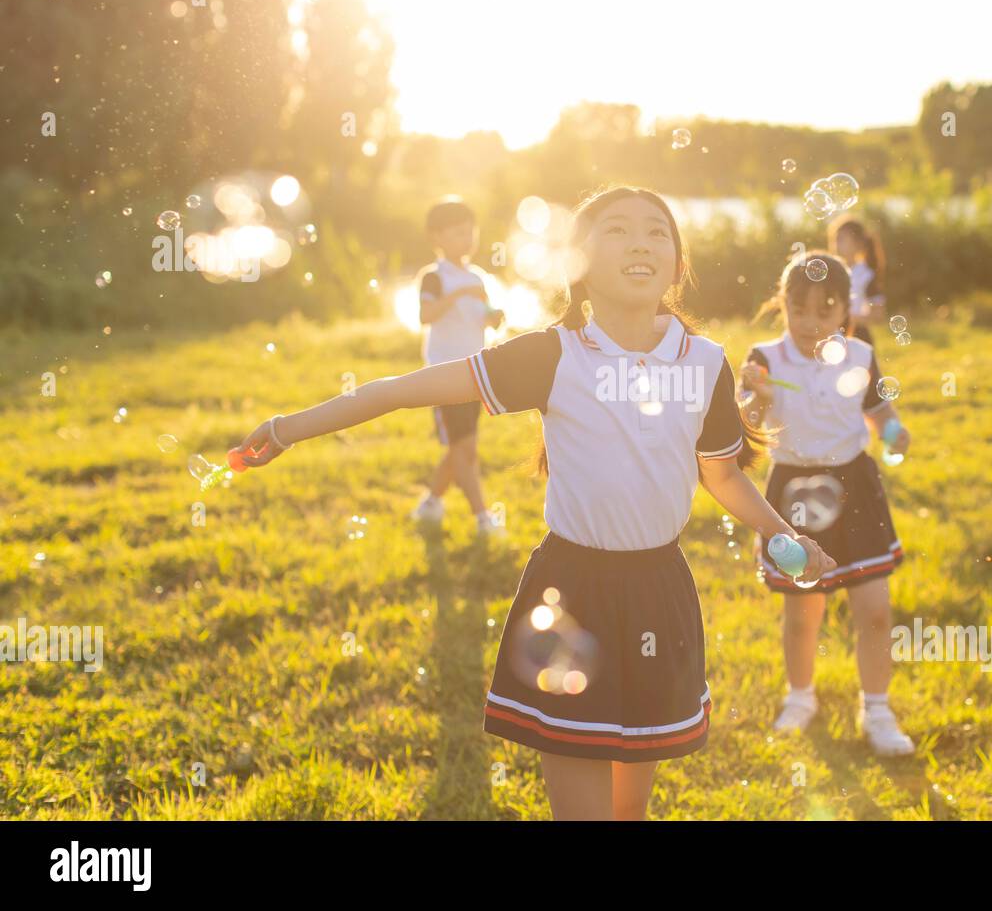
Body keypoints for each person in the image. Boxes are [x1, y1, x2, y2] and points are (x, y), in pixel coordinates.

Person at [232, 186, 835, 819]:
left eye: (657, 232)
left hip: (661, 591)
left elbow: (723, 476)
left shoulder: (705, 361)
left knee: (631, 812)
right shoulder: (552, 354)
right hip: (570, 594)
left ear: (679, 265)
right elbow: (401, 389)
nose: (639, 242)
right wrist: (285, 428)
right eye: (617, 230)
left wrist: (778, 533)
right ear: (577, 263)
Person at [739, 250, 915, 755]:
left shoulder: (860, 355)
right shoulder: (766, 358)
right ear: (782, 306)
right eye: (799, 310)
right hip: (793, 488)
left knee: (875, 610)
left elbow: (880, 412)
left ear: (845, 312)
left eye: (825, 310)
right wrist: (757, 396)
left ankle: (877, 710)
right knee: (802, 612)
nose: (810, 323)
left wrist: (895, 433)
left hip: (855, 486)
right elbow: (746, 421)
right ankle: (800, 698)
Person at [411, 197, 504, 535]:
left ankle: (430, 504)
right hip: (442, 374)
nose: (466, 239)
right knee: (464, 450)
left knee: (463, 448)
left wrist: (495, 317)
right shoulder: (434, 278)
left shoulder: (478, 277)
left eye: (470, 232)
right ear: (437, 238)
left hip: (474, 373)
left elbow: (486, 320)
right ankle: (483, 519)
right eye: (457, 233)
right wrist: (459, 294)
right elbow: (425, 316)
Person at [829, 215, 887, 346]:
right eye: (834, 239)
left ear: (857, 244)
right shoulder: (831, 271)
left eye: (841, 239)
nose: (835, 244)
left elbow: (878, 315)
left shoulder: (866, 275)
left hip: (858, 336)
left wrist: (847, 318)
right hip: (831, 334)